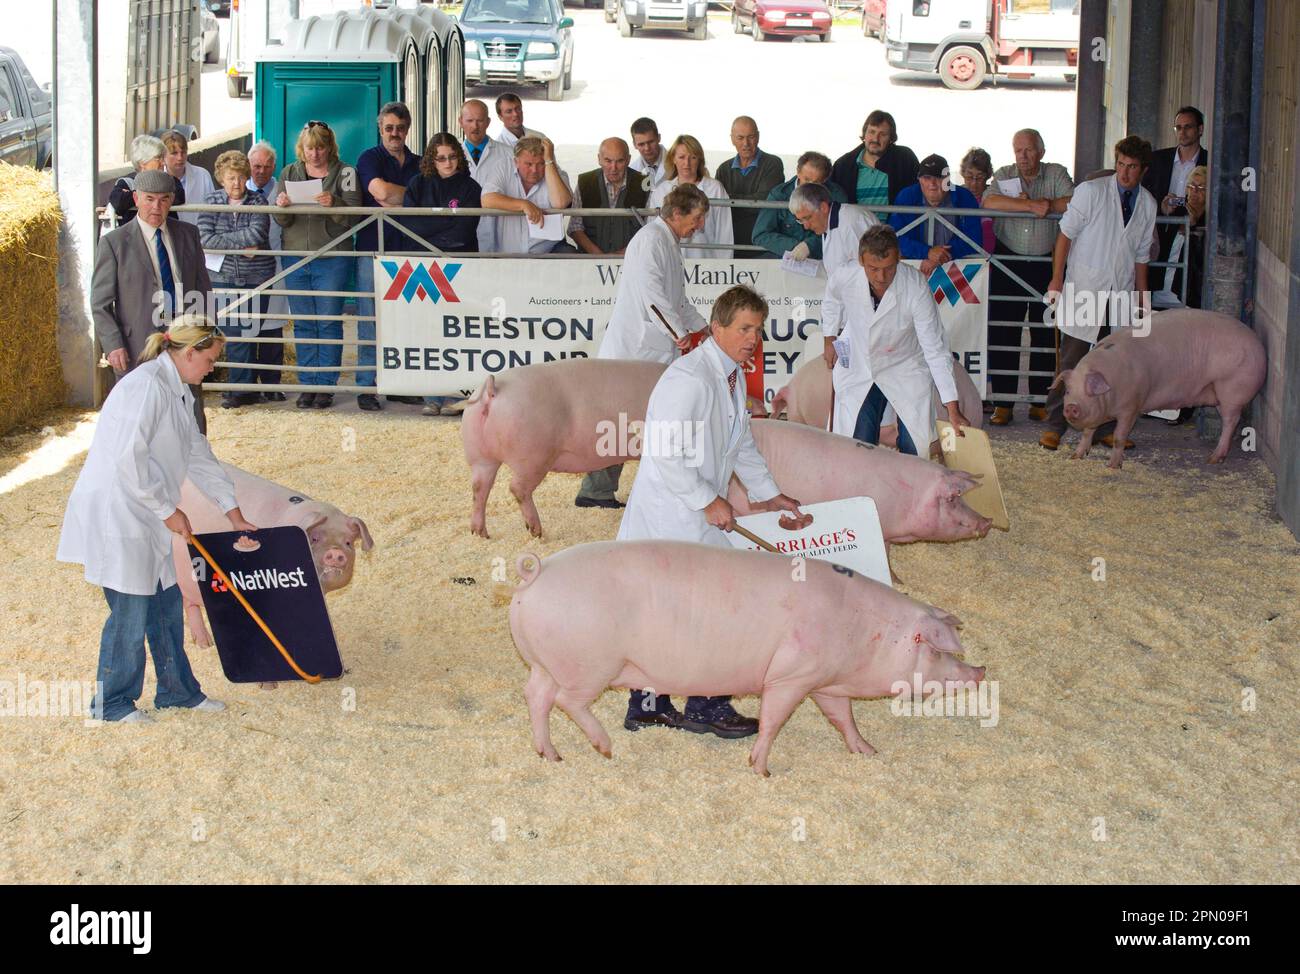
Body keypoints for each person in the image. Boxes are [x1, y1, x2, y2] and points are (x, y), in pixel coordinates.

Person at [617, 286, 807, 739]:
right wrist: (708, 499)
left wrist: (769, 494)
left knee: (674, 610)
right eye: (744, 328)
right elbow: (663, 453)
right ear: (716, 327)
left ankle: (656, 704)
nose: (753, 339)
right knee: (706, 607)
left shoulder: (732, 376)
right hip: (671, 516)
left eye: (758, 330)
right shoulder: (689, 379)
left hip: (692, 515)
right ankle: (702, 705)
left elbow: (740, 442)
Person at [56, 316, 258, 723]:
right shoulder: (145, 386)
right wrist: (169, 511)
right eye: (210, 359)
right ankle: (110, 704)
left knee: (166, 603)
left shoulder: (178, 390)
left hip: (146, 511)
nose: (212, 368)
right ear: (188, 353)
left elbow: (198, 454)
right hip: (120, 511)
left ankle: (177, 691)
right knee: (130, 611)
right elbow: (129, 458)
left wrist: (233, 513)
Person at [579, 184, 711, 509]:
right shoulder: (651, 240)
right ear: (677, 213)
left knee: (638, 421)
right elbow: (653, 296)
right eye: (697, 218)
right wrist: (681, 333)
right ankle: (595, 490)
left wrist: (704, 328)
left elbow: (678, 301)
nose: (700, 226)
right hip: (634, 352)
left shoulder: (667, 242)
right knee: (619, 420)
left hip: (649, 350)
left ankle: (614, 489)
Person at [1041, 136, 1157, 452]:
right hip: (1084, 288)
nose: (1125, 172)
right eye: (1121, 164)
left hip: (1119, 294)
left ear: (1143, 169)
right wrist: (1057, 279)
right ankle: (1055, 424)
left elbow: (1142, 257)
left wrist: (1142, 300)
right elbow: (1065, 235)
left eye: (1132, 167)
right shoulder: (1091, 192)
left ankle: (1107, 426)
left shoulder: (1147, 204)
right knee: (1072, 359)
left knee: (1114, 364)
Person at [823, 225, 970, 455]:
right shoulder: (844, 275)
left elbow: (934, 347)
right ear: (861, 260)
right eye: (873, 268)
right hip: (859, 363)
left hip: (905, 364)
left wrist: (951, 406)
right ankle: (863, 490)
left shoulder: (916, 286)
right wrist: (829, 335)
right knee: (858, 444)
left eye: (889, 268)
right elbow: (831, 300)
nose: (881, 277)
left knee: (917, 446)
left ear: (899, 258)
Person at [91, 168, 213, 433]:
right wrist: (113, 345)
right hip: (137, 345)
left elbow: (203, 290)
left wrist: (205, 336)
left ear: (171, 200)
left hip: (185, 341)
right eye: (149, 199)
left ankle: (195, 467)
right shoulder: (115, 243)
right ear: (136, 199)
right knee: (139, 416)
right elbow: (100, 303)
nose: (156, 207)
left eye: (163, 199)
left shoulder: (188, 234)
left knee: (190, 412)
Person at [981, 128, 1075, 425]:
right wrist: (1028, 205)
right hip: (1008, 261)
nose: (1022, 155)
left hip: (1046, 264)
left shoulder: (1057, 173)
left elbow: (1074, 202)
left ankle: (1038, 400)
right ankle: (1003, 403)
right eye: (1018, 149)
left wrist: (1047, 204)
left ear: (1041, 152)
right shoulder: (1004, 174)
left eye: (1029, 149)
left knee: (1045, 333)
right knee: (1003, 330)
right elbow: (988, 201)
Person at [273, 120, 362, 411]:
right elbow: (281, 221)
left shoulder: (346, 172)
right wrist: (282, 206)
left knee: (328, 320)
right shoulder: (289, 172)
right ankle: (307, 383)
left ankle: (325, 385)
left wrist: (334, 203)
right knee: (303, 322)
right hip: (296, 255)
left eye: (320, 147)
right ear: (302, 149)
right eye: (310, 148)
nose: (315, 154)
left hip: (333, 256)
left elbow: (354, 215)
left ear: (330, 147)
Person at [399, 134, 484, 417]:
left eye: (452, 156)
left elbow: (464, 231)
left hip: (460, 266)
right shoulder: (417, 185)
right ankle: (431, 396)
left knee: (456, 331)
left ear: (459, 157)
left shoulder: (471, 188)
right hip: (425, 269)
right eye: (441, 158)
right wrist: (446, 218)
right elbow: (411, 227)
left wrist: (431, 223)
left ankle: (455, 395)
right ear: (431, 160)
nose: (447, 163)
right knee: (428, 332)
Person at [355, 101, 424, 412]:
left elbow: (422, 201)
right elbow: (380, 192)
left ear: (407, 129)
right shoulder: (368, 157)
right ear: (380, 129)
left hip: (408, 251)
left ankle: (402, 384)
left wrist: (399, 198)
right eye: (389, 128)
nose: (394, 133)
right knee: (370, 318)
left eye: (400, 128)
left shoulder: (421, 163)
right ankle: (367, 386)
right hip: (372, 248)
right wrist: (407, 198)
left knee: (406, 317)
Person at [197, 150, 276, 409]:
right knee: (231, 333)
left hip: (257, 276)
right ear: (221, 178)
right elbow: (204, 238)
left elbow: (257, 233)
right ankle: (240, 388)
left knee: (250, 331)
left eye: (241, 178)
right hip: (223, 276)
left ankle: (244, 387)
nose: (236, 184)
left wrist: (227, 245)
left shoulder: (258, 202)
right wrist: (240, 247)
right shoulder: (211, 200)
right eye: (231, 178)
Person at [889, 154, 984, 275]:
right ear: (919, 179)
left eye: (938, 178)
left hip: (957, 271)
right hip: (915, 269)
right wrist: (927, 252)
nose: (932, 183)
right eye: (927, 177)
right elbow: (894, 237)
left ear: (948, 179)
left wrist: (940, 256)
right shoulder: (907, 196)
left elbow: (974, 238)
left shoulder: (964, 197)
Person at [478, 136, 574, 254]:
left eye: (540, 164)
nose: (534, 170)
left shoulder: (554, 171)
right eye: (528, 164)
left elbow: (561, 203)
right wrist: (523, 205)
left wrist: (549, 161)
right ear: (516, 162)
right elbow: (487, 200)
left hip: (548, 255)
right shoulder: (503, 167)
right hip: (507, 257)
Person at [245, 140, 288, 402]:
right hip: (244, 269)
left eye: (266, 165)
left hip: (274, 264)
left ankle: (272, 383)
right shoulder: (235, 190)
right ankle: (247, 384)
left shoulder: (281, 194)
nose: (261, 170)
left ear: (274, 166)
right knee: (245, 325)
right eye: (256, 165)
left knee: (272, 326)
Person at [648, 134, 733, 259]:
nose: (686, 163)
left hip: (707, 269)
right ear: (673, 159)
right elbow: (654, 231)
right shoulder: (661, 191)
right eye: (681, 157)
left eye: (692, 157)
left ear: (699, 160)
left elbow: (725, 234)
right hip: (670, 263)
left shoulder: (715, 189)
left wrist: (724, 269)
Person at [752, 151, 846, 260]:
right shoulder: (779, 194)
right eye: (806, 179)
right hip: (785, 258)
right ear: (798, 172)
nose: (808, 186)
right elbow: (760, 234)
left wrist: (810, 246)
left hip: (824, 258)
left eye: (815, 183)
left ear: (825, 179)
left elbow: (840, 232)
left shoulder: (836, 195)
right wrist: (795, 247)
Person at [714, 116, 785, 252]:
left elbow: (764, 202)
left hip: (762, 247)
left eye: (750, 137)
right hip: (729, 245)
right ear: (732, 139)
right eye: (740, 138)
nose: (746, 143)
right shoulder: (723, 169)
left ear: (758, 137)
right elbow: (719, 207)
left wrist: (728, 199)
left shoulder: (773, 164)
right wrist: (747, 201)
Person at [568, 137, 647, 256]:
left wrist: (622, 254)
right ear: (599, 159)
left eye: (619, 161)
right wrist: (599, 256)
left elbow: (650, 229)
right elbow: (575, 228)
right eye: (608, 161)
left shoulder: (644, 184)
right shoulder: (585, 182)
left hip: (633, 260)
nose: (613, 168)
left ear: (628, 160)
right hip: (590, 262)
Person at [829, 110, 920, 211]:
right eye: (872, 132)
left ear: (891, 138)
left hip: (896, 227)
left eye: (883, 134)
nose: (876, 139)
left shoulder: (905, 159)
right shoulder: (843, 165)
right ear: (864, 133)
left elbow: (921, 192)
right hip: (856, 227)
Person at [787, 181, 879, 276]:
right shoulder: (827, 223)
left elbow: (874, 268)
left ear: (823, 207)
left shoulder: (851, 223)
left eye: (808, 218)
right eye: (801, 220)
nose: (806, 226)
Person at [459, 99, 512, 252]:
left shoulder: (508, 153)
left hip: (500, 234)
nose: (475, 126)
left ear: (488, 122)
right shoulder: (451, 157)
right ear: (460, 122)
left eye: (480, 121)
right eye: (469, 120)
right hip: (464, 234)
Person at [109, 134, 185, 225]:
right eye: (158, 158)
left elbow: (179, 197)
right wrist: (162, 194)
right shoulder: (127, 182)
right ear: (142, 162)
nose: (163, 162)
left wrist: (136, 195)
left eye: (163, 157)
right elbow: (118, 202)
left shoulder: (170, 180)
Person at [162, 130, 215, 227]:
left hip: (198, 235)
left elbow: (213, 211)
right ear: (163, 155)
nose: (180, 158)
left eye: (183, 152)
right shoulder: (157, 178)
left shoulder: (202, 175)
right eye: (174, 153)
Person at [959, 147, 996, 254]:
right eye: (969, 177)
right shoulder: (956, 196)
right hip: (962, 260)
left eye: (979, 178)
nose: (974, 184)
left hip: (991, 259)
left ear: (988, 176)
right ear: (963, 174)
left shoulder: (994, 197)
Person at [628, 117, 668, 195]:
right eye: (641, 144)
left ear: (659, 138)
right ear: (634, 145)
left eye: (651, 142)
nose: (647, 148)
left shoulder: (677, 163)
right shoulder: (632, 170)